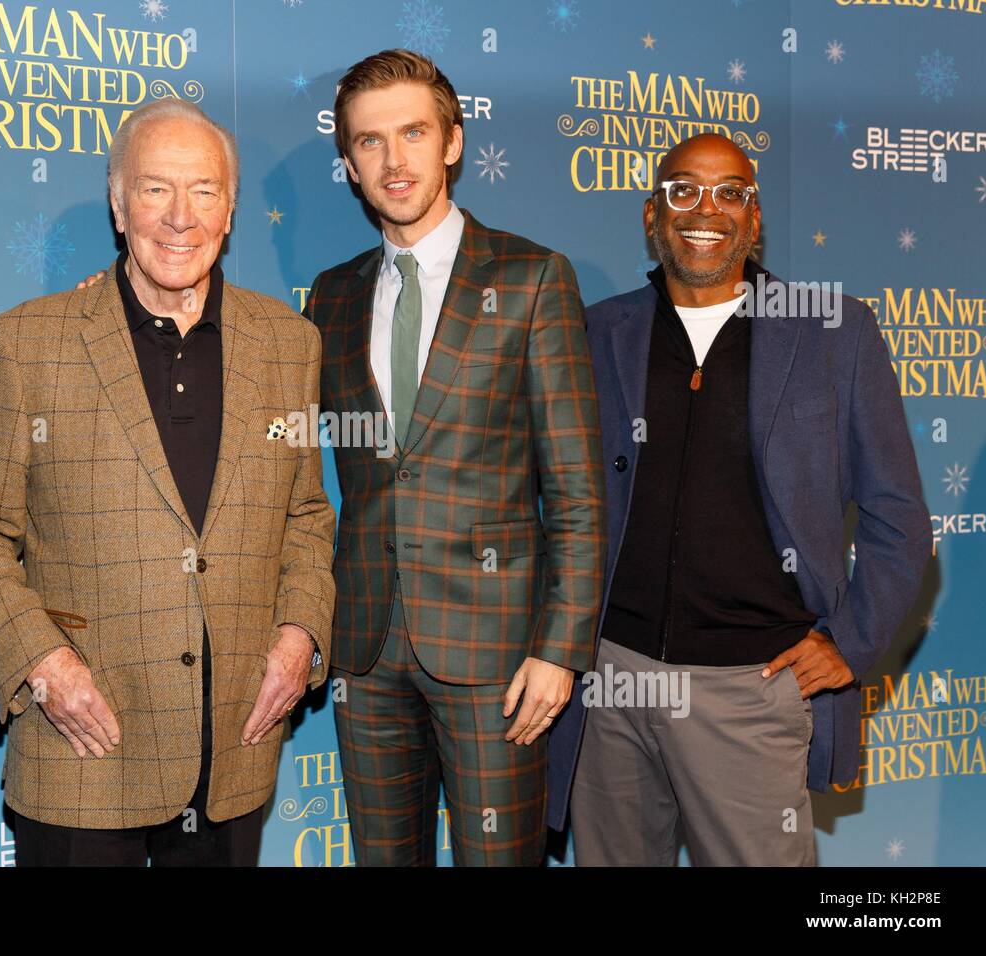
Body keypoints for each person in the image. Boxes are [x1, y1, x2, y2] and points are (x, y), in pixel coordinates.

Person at [0, 98, 335, 866]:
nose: (179, 217)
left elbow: (307, 516)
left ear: (230, 210)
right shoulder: (30, 341)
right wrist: (43, 666)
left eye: (204, 191)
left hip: (233, 751)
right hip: (83, 749)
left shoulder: (290, 343)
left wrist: (300, 637)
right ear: (119, 207)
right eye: (155, 189)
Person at [549, 132, 931, 865]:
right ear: (651, 214)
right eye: (683, 190)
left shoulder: (836, 332)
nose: (707, 209)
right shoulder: (597, 332)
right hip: (610, 681)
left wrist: (850, 643)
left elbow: (901, 522)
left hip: (752, 691)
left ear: (754, 220)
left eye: (731, 193)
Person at [307, 49, 604, 866]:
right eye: (369, 142)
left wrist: (560, 649)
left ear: (453, 142)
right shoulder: (330, 295)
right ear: (350, 163)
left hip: (499, 654)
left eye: (412, 132)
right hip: (363, 648)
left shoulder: (532, 276)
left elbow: (577, 489)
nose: (393, 160)